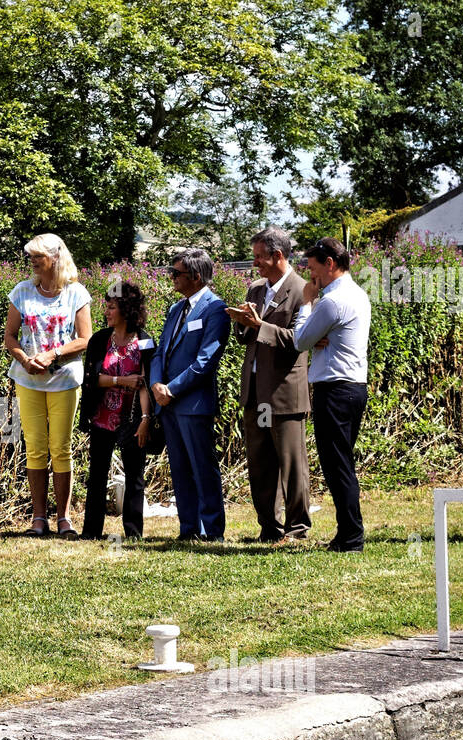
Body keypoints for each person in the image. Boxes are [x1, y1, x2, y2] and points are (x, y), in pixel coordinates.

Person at [226, 227, 313, 543]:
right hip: (255, 392)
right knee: (260, 464)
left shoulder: (303, 291)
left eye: (259, 257)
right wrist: (242, 324)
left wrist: (259, 325)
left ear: (278, 255)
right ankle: (269, 528)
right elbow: (246, 337)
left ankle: (297, 529)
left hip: (284, 392)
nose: (255, 264)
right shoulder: (255, 290)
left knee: (291, 465)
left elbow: (299, 340)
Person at [4, 234, 92, 537]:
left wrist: (53, 354)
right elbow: (9, 337)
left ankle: (64, 519)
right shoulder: (22, 291)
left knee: (61, 449)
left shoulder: (76, 293)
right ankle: (38, 519)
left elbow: (86, 339)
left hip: (64, 380)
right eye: (30, 256)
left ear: (55, 257)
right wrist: (24, 359)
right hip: (28, 379)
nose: (32, 261)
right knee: (35, 449)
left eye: (38, 256)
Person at [293, 237, 372, 553]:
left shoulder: (330, 301)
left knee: (337, 466)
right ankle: (346, 533)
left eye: (313, 268)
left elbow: (300, 341)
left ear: (330, 263)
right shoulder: (358, 294)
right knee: (342, 463)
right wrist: (317, 334)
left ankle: (351, 536)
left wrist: (306, 304)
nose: (310, 276)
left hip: (335, 389)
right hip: (354, 387)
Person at [150, 249, 231, 542]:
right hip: (168, 404)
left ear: (196, 276)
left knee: (202, 467)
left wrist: (171, 389)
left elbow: (205, 361)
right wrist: (156, 384)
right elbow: (160, 351)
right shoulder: (176, 309)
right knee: (180, 469)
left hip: (193, 403)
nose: (171, 277)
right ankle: (189, 528)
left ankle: (212, 530)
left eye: (176, 273)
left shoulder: (215, 309)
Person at [78, 281, 155, 540]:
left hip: (132, 419)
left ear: (126, 309)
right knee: (97, 474)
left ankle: (133, 534)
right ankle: (91, 532)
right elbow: (91, 379)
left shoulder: (145, 341)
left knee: (135, 475)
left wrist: (145, 420)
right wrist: (122, 381)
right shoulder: (99, 340)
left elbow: (145, 384)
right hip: (101, 417)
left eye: (111, 307)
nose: (106, 312)